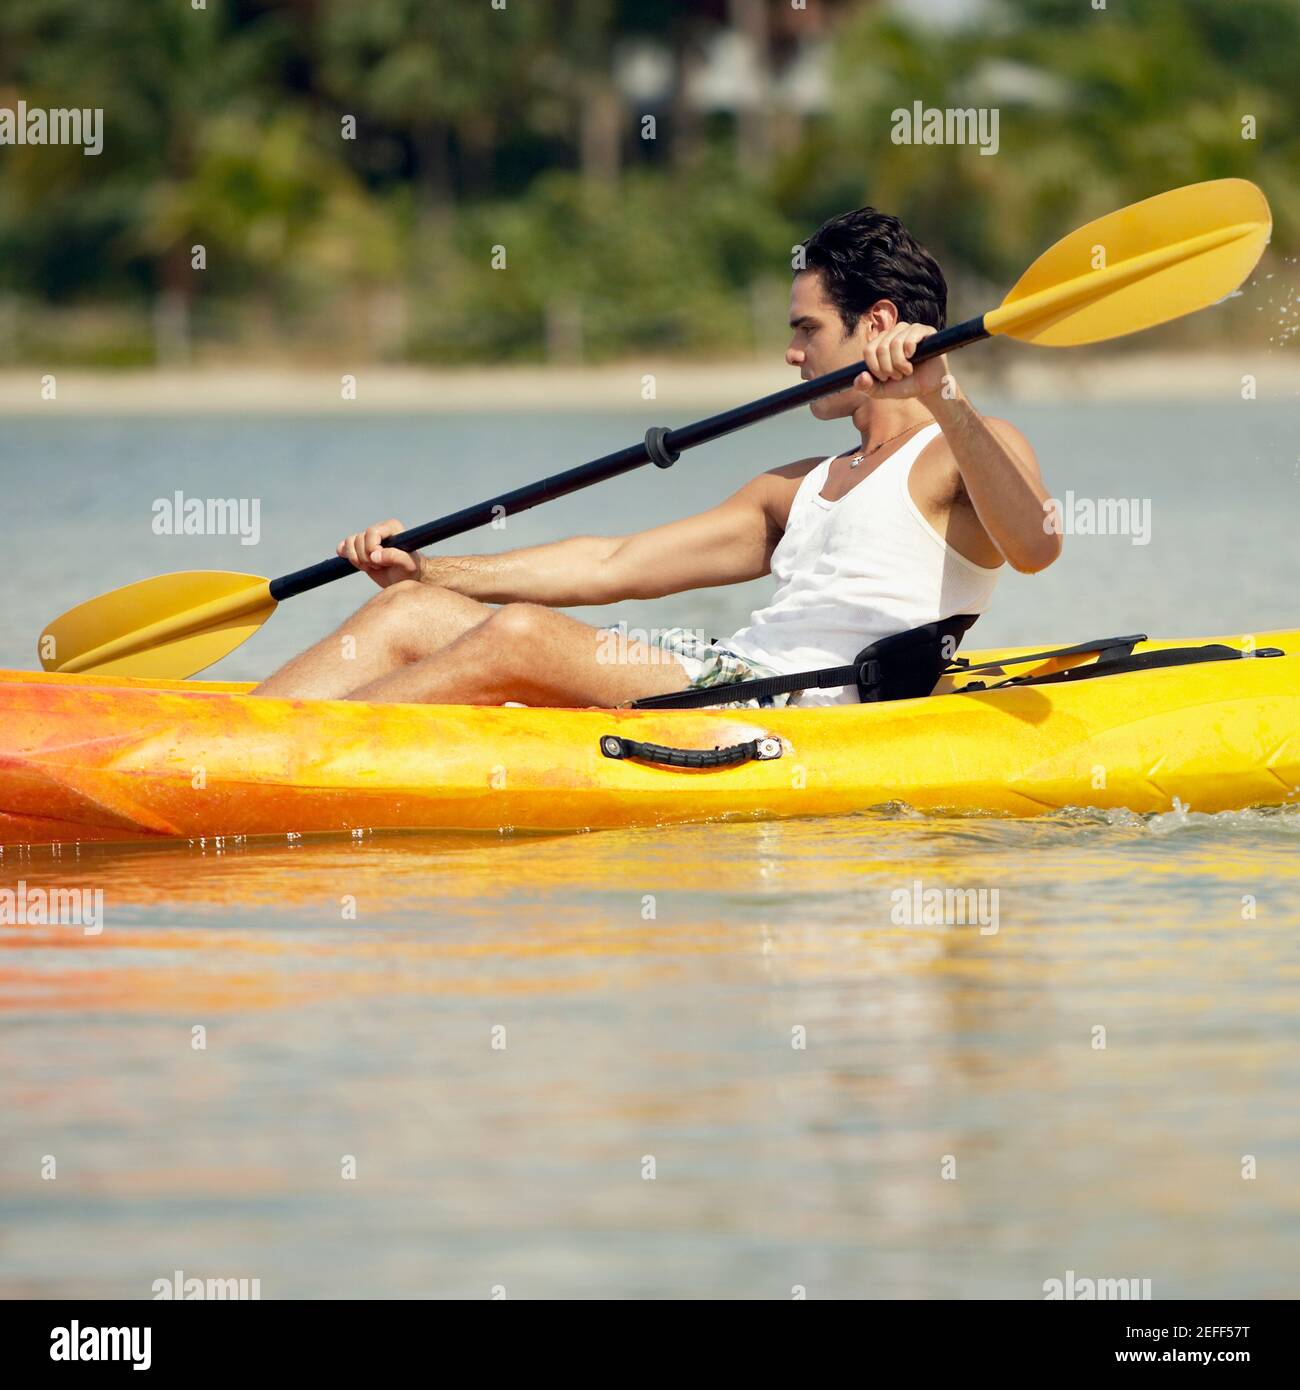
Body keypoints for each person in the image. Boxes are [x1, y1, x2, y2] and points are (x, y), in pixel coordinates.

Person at [253, 208, 1060, 708]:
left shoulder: (964, 446)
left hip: (795, 710)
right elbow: (613, 561)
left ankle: (280, 762)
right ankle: (237, 732)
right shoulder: (797, 488)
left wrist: (945, 391)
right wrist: (427, 569)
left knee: (525, 637)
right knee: (410, 616)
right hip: (729, 674)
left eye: (806, 329)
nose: (790, 353)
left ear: (878, 323)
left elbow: (1036, 547)